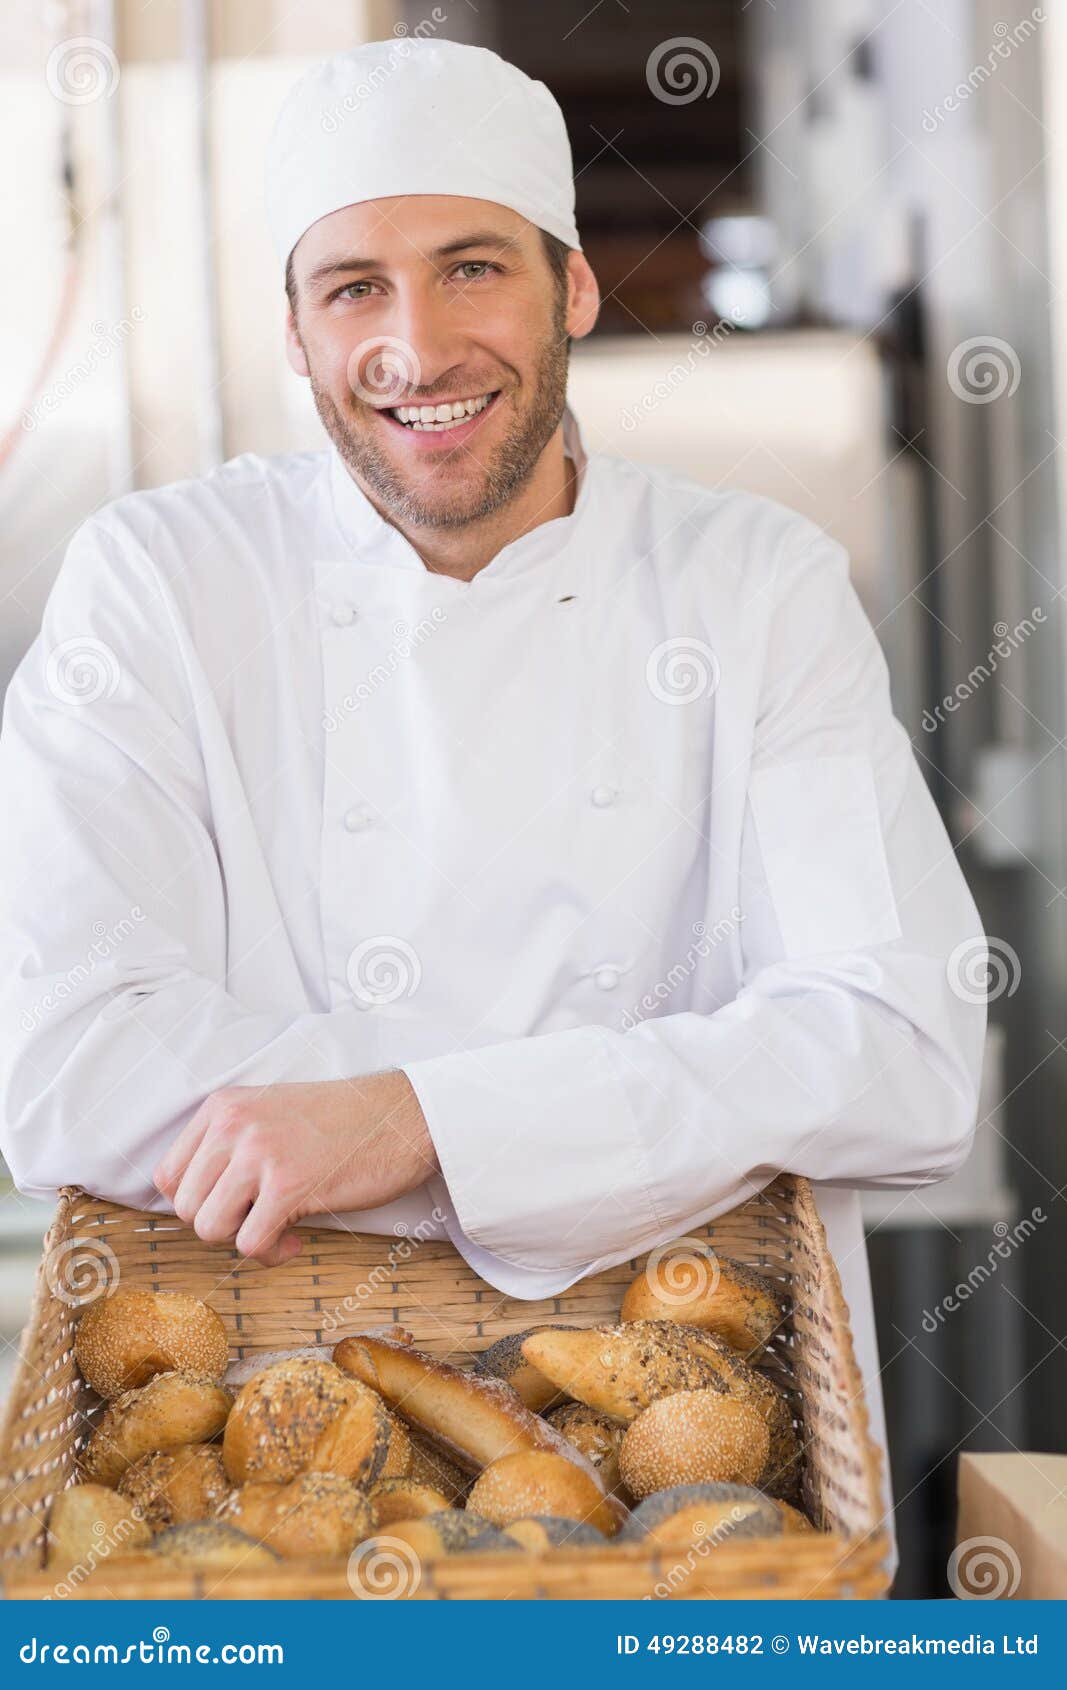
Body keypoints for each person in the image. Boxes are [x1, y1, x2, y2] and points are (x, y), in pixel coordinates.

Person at [0, 40, 985, 1556]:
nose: (417, 346)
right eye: (354, 289)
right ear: (293, 326)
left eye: (472, 269)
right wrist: (633, 1117)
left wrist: (415, 1121)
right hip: (277, 1501)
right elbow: (64, 1059)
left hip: (701, 1502)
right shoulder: (162, 584)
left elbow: (909, 1051)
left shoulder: (751, 585)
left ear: (573, 288)